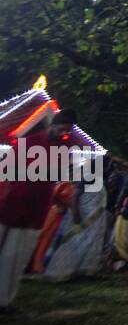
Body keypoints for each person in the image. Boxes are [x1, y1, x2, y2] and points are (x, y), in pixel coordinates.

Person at [0, 105, 78, 311]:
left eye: (68, 130)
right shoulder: (28, 142)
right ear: (53, 124)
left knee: (15, 258)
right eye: (62, 127)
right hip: (8, 205)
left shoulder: (63, 151)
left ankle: (4, 301)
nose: (64, 132)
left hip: (33, 211)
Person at [43, 176, 111, 281]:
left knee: (89, 245)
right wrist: (76, 214)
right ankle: (65, 272)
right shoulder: (89, 177)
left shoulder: (99, 179)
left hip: (93, 221)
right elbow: (75, 195)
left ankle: (85, 272)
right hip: (82, 218)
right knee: (75, 245)